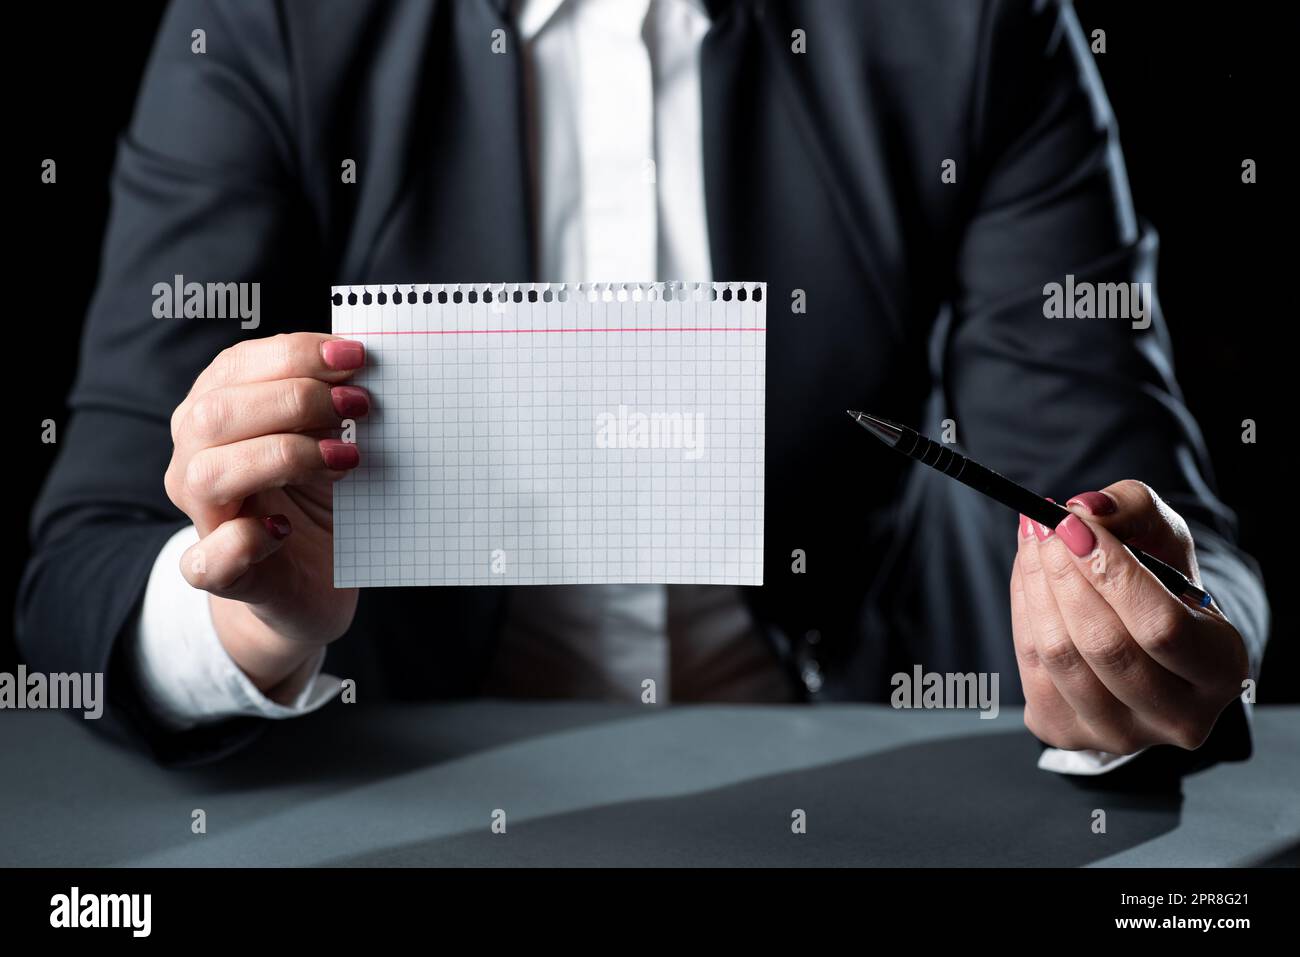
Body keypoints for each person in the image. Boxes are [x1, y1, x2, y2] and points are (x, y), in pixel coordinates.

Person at [20, 0, 1267, 775]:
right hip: (397, 784)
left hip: (854, 775)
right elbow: (82, 570)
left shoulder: (975, 22)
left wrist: (1148, 649)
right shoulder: (266, 20)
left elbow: (1152, 518)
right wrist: (246, 622)